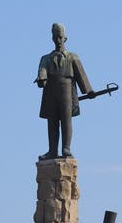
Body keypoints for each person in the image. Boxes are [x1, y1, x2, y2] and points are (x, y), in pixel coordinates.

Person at [36, 23, 95, 159]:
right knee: (52, 122)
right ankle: (52, 151)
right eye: (56, 37)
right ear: (52, 39)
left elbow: (81, 75)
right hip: (51, 93)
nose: (58, 40)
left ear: (65, 39)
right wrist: (42, 79)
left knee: (66, 120)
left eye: (60, 37)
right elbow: (42, 71)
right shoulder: (45, 59)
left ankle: (66, 148)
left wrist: (88, 90)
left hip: (66, 92)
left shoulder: (72, 57)